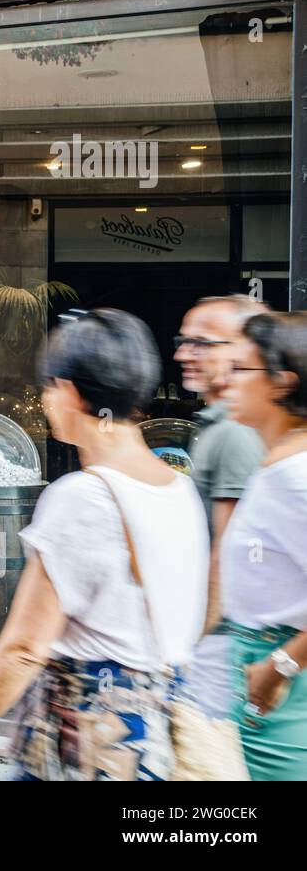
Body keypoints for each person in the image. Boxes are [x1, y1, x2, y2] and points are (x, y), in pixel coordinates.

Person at [0, 309, 208, 781]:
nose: (44, 401)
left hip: (87, 740)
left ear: (70, 393)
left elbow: (23, 647)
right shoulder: (179, 490)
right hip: (153, 740)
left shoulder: (82, 497)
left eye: (49, 388)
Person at [221, 311, 307, 781]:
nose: (226, 379)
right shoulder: (278, 464)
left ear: (280, 383)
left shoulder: (296, 475)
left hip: (284, 691)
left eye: (241, 369)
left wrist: (280, 665)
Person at [174, 295, 268, 719]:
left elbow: (227, 555)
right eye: (184, 341)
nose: (182, 353)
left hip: (223, 645)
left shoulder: (233, 432)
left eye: (201, 343)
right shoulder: (219, 425)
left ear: (241, 351)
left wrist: (194, 644)